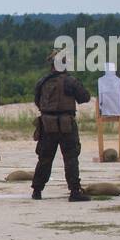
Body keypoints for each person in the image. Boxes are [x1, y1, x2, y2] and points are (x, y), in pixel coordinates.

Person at [31, 49, 91, 201]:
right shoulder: (70, 81)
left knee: (44, 158)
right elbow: (84, 97)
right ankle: (74, 192)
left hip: (46, 124)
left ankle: (37, 191)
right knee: (70, 158)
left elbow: (37, 101)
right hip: (66, 124)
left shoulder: (42, 81)